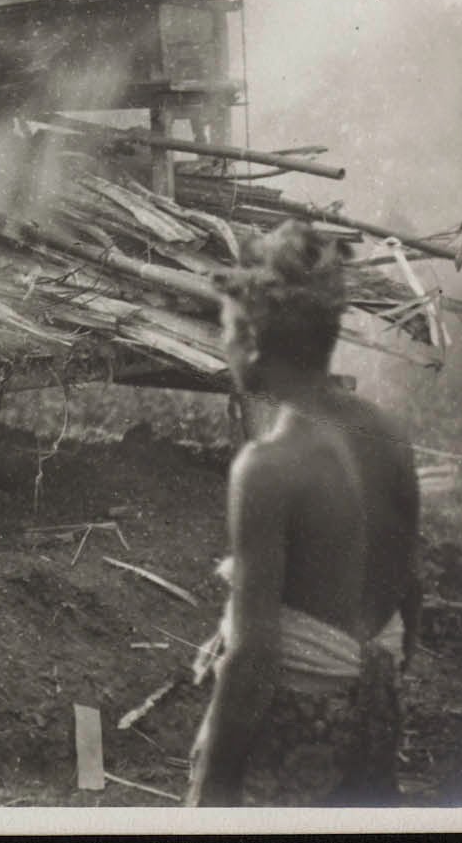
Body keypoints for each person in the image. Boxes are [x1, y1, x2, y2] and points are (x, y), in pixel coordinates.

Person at [185, 221, 421, 807]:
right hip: (376, 707)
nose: (222, 347)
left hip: (298, 720)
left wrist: (210, 784)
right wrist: (376, 693)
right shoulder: (389, 435)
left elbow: (254, 655)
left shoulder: (267, 467)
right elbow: (410, 589)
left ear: (254, 340)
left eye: (226, 332)